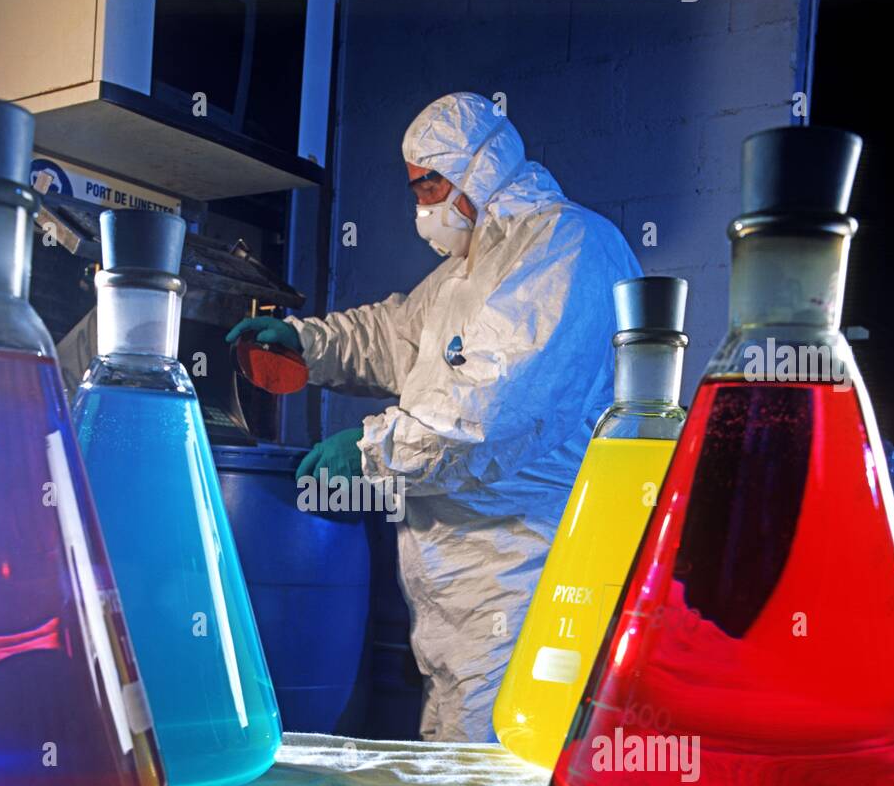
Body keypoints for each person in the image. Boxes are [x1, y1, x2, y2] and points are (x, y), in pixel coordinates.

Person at [227, 92, 641, 743]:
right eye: (416, 188)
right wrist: (310, 344)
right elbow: (397, 335)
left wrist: (367, 458)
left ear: (480, 170)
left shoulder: (569, 247)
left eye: (431, 185)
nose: (423, 205)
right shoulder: (464, 273)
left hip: (524, 589)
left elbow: (484, 411)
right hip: (455, 610)